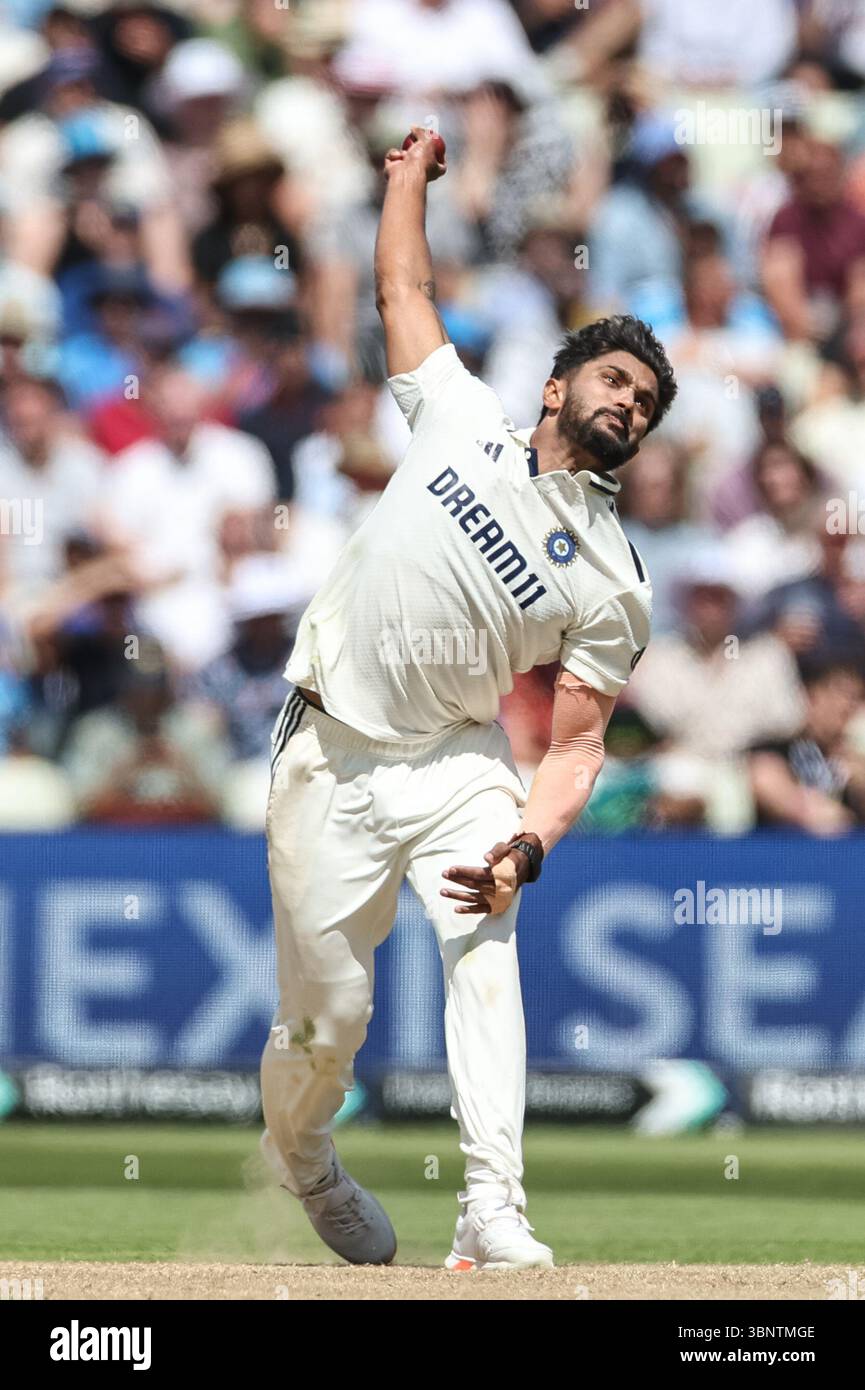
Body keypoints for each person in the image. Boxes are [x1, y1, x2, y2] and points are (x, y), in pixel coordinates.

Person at [258, 126, 677, 1271]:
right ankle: (305, 1158)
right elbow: (402, 282)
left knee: (486, 938)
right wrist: (404, 182)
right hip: (328, 754)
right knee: (322, 1027)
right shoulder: (456, 413)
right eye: (613, 378)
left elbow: (579, 746)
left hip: (454, 761)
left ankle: (491, 1211)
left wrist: (529, 841)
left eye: (645, 402)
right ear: (557, 385)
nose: (627, 404)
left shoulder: (615, 578)